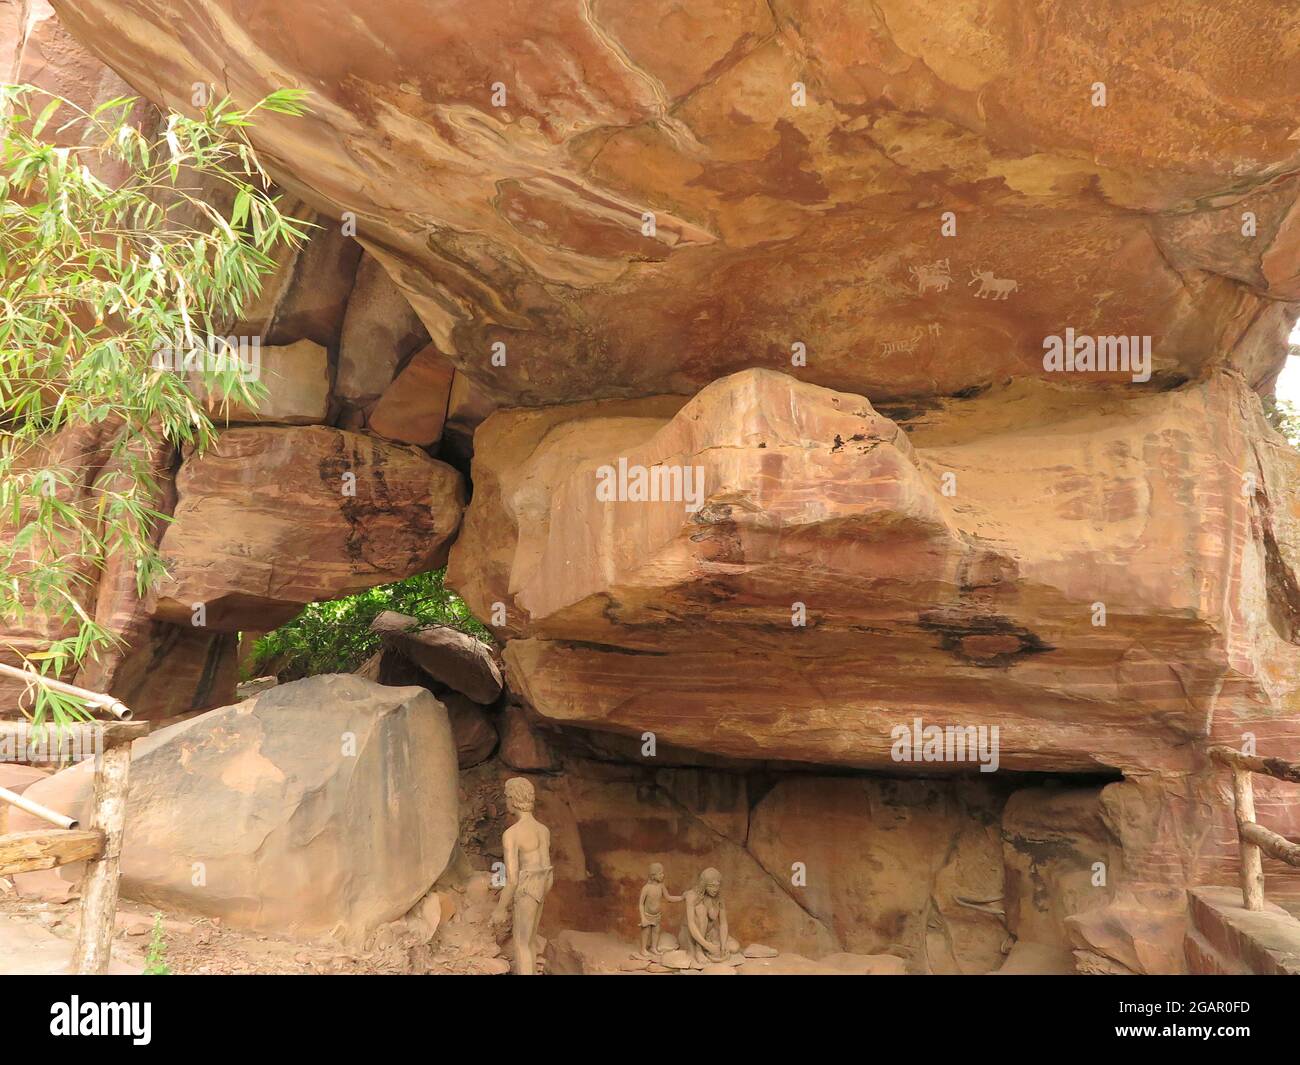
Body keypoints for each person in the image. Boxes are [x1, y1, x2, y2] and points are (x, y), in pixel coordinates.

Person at [490, 777, 553, 975]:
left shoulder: (512, 834)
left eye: (507, 797)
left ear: (513, 799)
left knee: (521, 944)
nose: (506, 801)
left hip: (525, 889)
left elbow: (513, 878)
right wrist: (541, 891)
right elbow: (547, 868)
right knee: (530, 942)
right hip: (541, 886)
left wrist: (500, 908)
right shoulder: (542, 830)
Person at [678, 867, 730, 967]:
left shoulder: (719, 899)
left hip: (709, 935)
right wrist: (707, 945)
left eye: (717, 886)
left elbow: (723, 924)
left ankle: (709, 948)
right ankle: (699, 950)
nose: (715, 889)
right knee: (701, 911)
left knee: (734, 948)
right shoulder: (692, 896)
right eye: (711, 886)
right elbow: (691, 924)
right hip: (690, 936)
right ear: (704, 884)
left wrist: (723, 945)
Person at [637, 862, 683, 957]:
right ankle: (643, 949)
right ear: (653, 875)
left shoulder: (661, 886)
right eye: (660, 873)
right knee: (646, 932)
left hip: (657, 915)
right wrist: (643, 918)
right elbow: (641, 904)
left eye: (663, 873)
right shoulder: (646, 888)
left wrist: (681, 898)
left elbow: (669, 897)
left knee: (656, 931)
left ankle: (653, 948)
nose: (663, 875)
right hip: (647, 915)